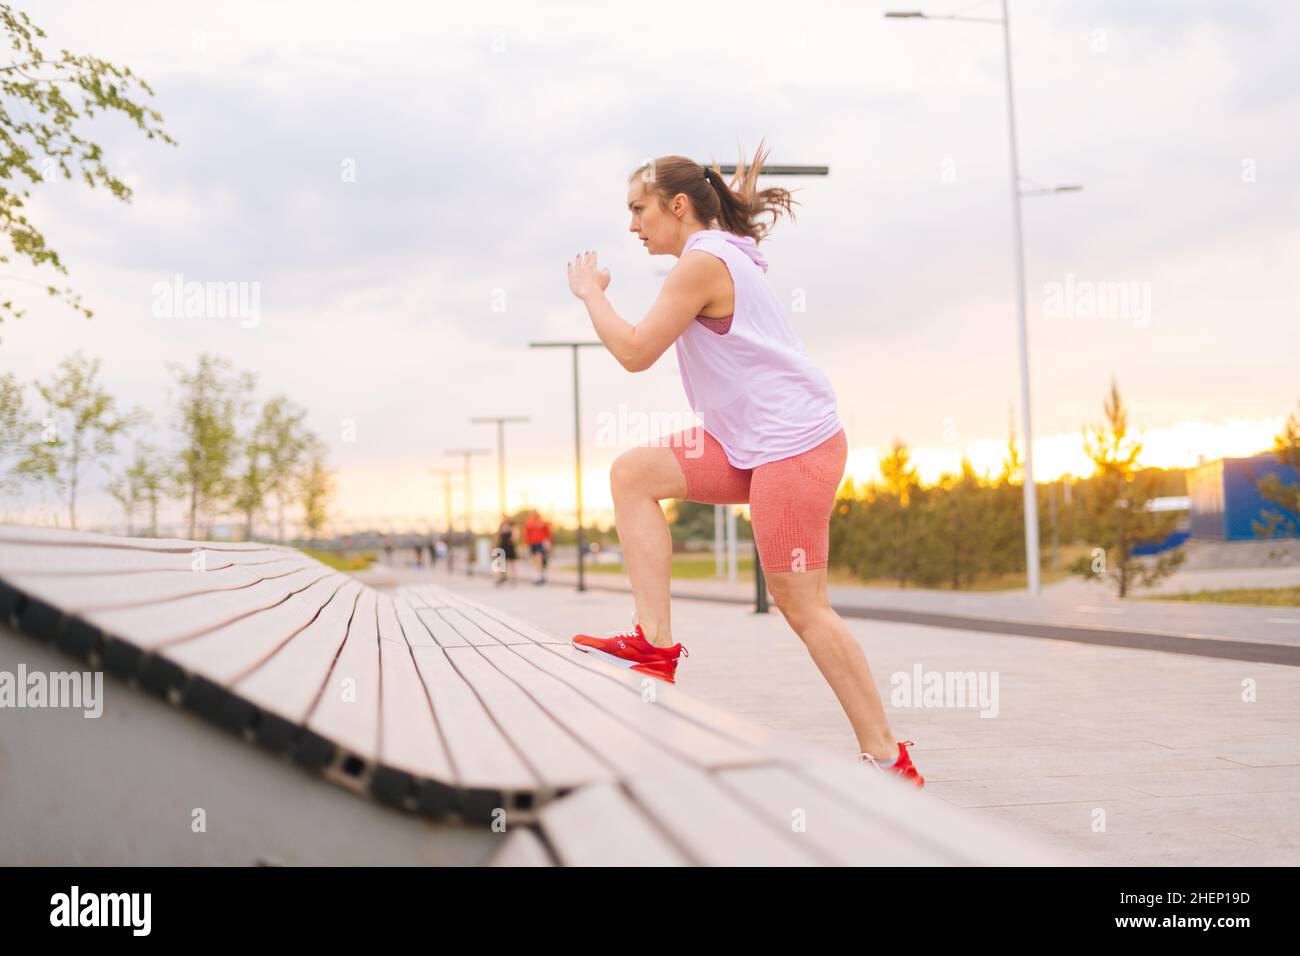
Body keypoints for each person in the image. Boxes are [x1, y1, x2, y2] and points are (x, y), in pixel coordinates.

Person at [562, 141, 923, 787]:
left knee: (801, 605)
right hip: (748, 443)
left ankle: (889, 758)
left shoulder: (704, 261)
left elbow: (637, 351)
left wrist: (590, 294)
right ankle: (655, 644)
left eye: (638, 209)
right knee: (634, 475)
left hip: (793, 446)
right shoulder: (721, 252)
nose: (631, 224)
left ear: (677, 206)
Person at [524, 510, 549, 584]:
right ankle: (539, 574)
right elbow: (527, 534)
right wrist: (527, 544)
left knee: (539, 558)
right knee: (536, 559)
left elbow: (547, 533)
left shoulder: (542, 522)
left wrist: (548, 542)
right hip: (533, 543)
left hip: (540, 542)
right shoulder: (529, 522)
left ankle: (540, 575)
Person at [494, 515, 518, 586]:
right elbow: (498, 536)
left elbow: (515, 535)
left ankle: (512, 579)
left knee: (511, 563)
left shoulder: (512, 526)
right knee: (500, 563)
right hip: (502, 546)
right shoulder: (501, 526)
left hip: (509, 546)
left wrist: (513, 539)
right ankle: (499, 578)